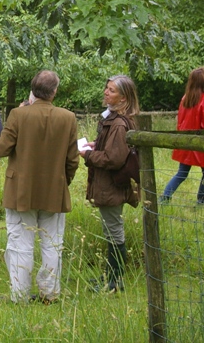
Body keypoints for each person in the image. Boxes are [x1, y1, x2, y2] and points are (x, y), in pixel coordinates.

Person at [0, 70, 79, 304]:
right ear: (54, 92)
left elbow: (0, 149)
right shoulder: (68, 117)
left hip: (20, 190)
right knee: (53, 244)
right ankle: (50, 293)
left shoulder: (18, 115)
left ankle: (20, 295)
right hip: (54, 189)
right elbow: (72, 160)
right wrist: (62, 182)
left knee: (20, 244)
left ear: (32, 90)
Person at [80, 75, 141, 293]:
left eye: (112, 90)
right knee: (111, 231)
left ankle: (114, 282)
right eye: (107, 88)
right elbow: (114, 148)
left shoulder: (118, 124)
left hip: (112, 184)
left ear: (123, 98)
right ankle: (110, 276)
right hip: (110, 184)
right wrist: (97, 144)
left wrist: (87, 155)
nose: (106, 92)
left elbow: (113, 159)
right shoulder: (114, 119)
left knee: (114, 232)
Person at [161, 67, 204, 205]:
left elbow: (180, 120)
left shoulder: (186, 98)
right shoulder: (202, 100)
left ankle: (165, 197)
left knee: (181, 173)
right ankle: (201, 200)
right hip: (199, 142)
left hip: (184, 140)